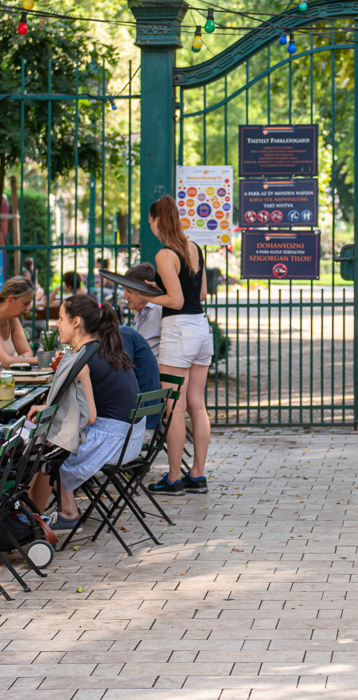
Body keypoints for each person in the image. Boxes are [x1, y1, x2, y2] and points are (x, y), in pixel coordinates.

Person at [29, 296, 144, 530]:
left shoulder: (83, 358)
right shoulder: (104, 346)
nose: (57, 325)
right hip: (132, 436)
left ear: (76, 322)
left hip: (113, 440)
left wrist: (50, 410)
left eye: (61, 318)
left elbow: (89, 416)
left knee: (46, 449)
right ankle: (55, 513)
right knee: (52, 443)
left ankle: (44, 518)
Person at [145, 195, 213, 496]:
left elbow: (175, 301)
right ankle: (197, 475)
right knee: (196, 404)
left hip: (178, 329)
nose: (151, 226)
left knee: (174, 405)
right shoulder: (194, 248)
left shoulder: (164, 254)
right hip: (201, 327)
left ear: (157, 220)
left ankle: (173, 478)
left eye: (150, 221)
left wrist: (146, 296)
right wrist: (159, 288)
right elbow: (201, 293)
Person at [124, 261, 165, 433]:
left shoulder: (157, 310)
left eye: (129, 291)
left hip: (147, 383)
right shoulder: (141, 314)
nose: (125, 297)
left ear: (144, 290)